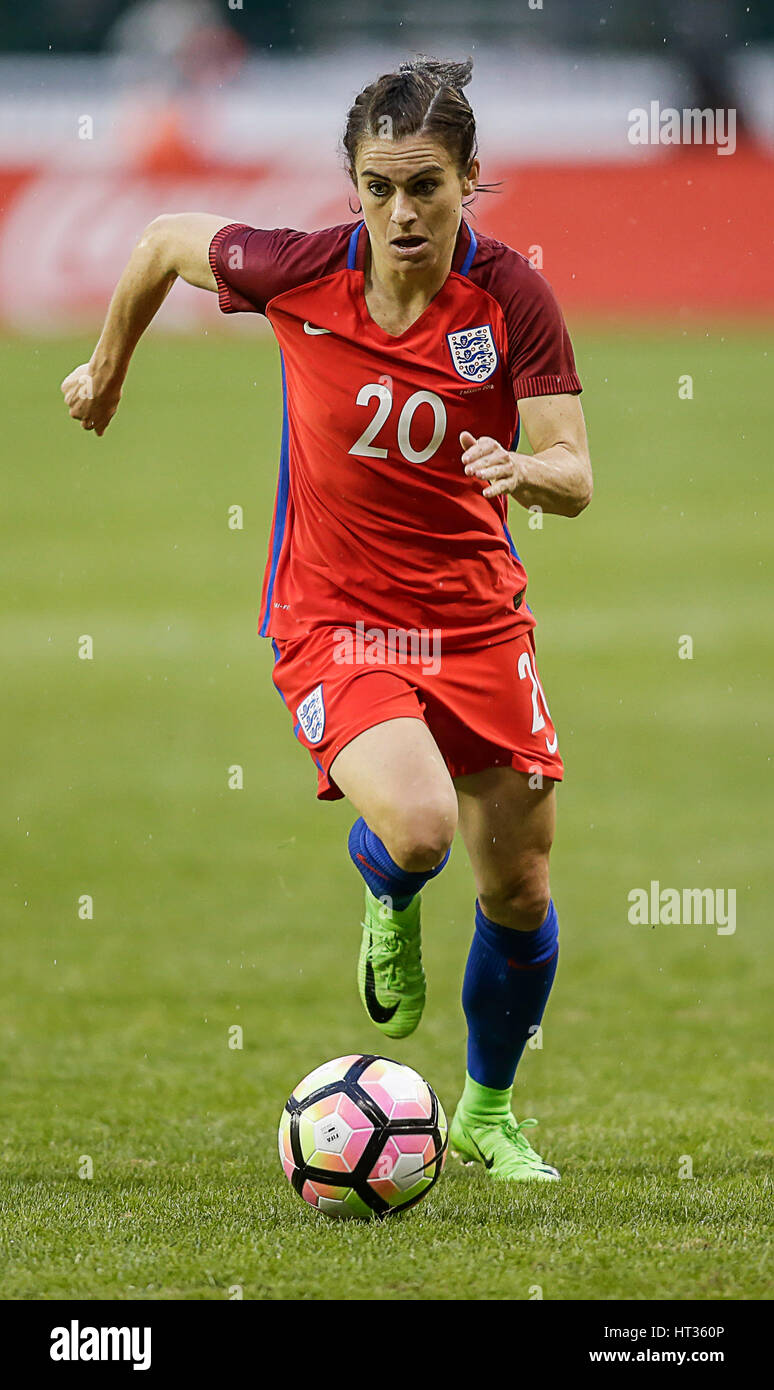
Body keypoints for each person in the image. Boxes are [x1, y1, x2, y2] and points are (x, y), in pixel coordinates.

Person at [61, 56, 592, 1182]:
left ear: (470, 179)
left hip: (476, 618)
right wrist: (107, 371)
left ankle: (487, 1111)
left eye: (429, 186)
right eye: (380, 184)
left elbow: (576, 470)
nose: (404, 212)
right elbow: (161, 237)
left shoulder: (511, 298)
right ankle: (386, 885)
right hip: (335, 615)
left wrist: (524, 471)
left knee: (523, 883)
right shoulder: (297, 270)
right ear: (351, 183)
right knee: (419, 829)